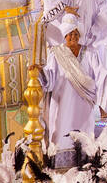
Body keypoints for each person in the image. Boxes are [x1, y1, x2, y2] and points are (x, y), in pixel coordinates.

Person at [40, 14, 102, 167]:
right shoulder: (56, 54)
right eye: (70, 34)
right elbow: (49, 76)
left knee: (84, 132)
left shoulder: (89, 53)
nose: (73, 37)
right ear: (65, 36)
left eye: (76, 34)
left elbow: (100, 72)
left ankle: (85, 163)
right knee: (63, 131)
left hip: (84, 103)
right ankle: (63, 164)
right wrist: (40, 72)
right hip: (63, 103)